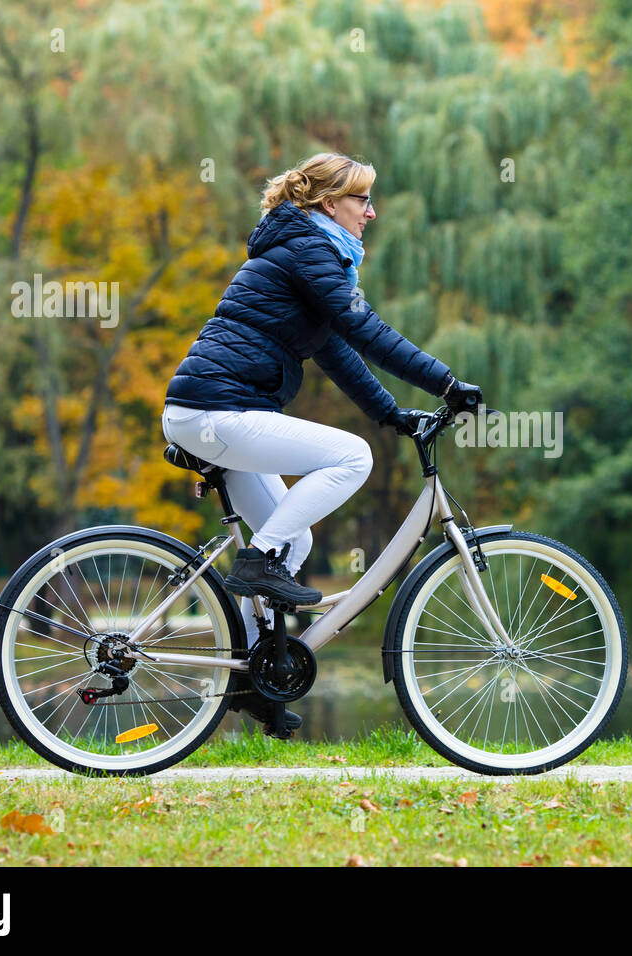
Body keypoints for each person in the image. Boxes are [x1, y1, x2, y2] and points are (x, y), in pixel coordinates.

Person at [160, 152, 482, 735]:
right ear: (329, 204)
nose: (372, 211)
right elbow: (364, 328)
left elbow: (338, 351)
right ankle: (255, 564)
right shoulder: (309, 250)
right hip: (216, 410)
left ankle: (251, 680)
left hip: (210, 412)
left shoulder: (307, 256)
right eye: (362, 200)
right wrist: (446, 382)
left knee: (295, 535)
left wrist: (392, 414)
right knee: (349, 456)